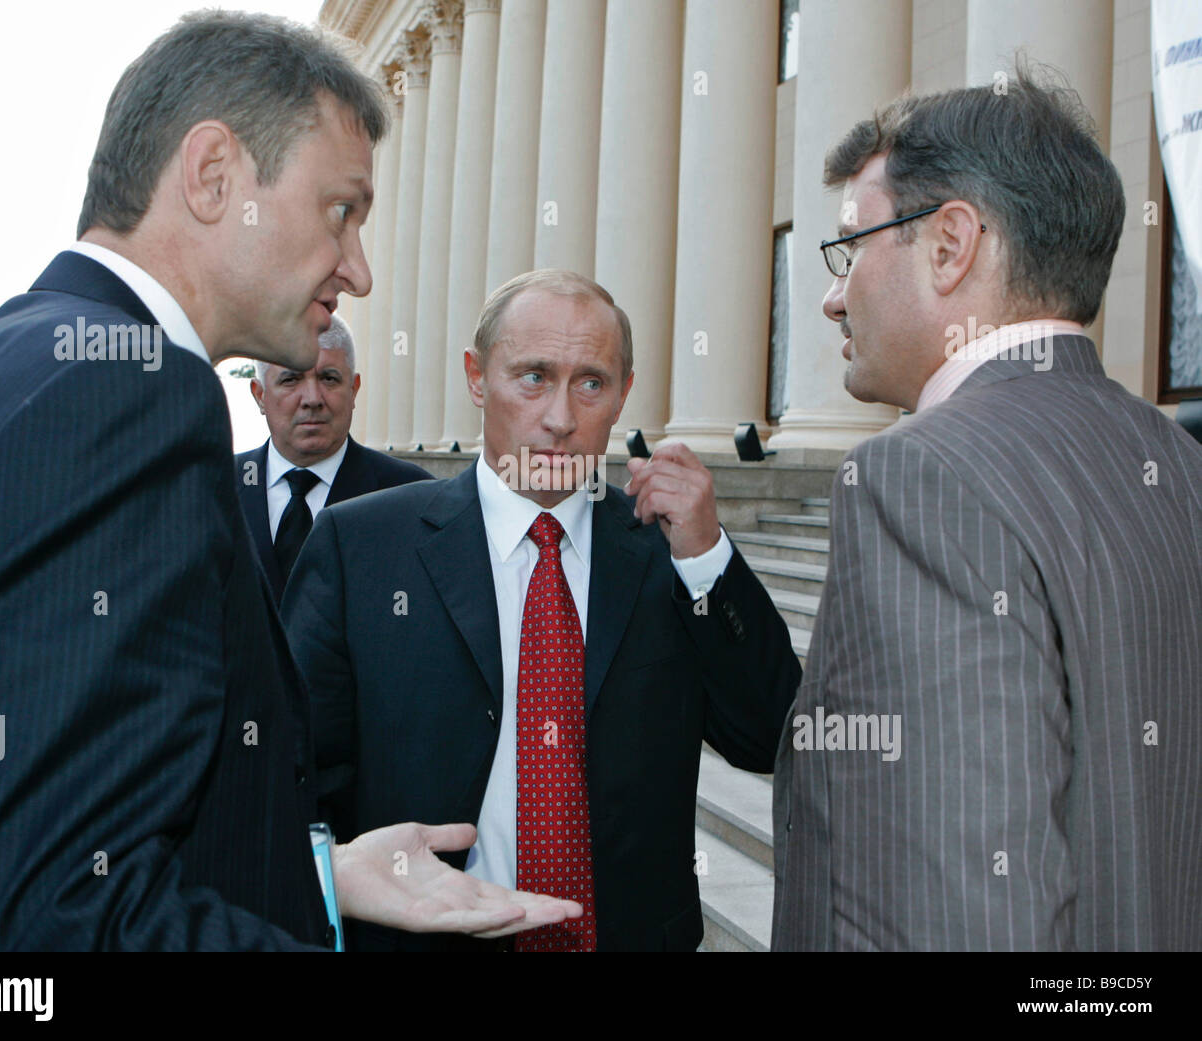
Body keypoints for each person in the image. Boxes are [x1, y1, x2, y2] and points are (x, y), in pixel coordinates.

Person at [0, 11, 577, 951]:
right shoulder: (126, 389)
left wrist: (320, 876)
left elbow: (21, 827)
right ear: (215, 175)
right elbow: (56, 917)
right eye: (341, 210)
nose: (360, 269)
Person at [771, 64, 1202, 951]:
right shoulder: (1180, 461)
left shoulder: (922, 478)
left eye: (850, 249)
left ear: (949, 243)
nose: (831, 294)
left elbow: (962, 918)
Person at [283, 269, 802, 951]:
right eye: (533, 377)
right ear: (476, 376)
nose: (561, 418)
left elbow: (769, 733)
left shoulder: (665, 553)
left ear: (623, 395)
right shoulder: (361, 549)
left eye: (591, 382)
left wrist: (707, 556)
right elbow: (292, 783)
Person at [238, 314, 431, 602]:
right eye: (291, 379)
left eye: (329, 379)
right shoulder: (211, 488)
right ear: (259, 395)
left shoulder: (412, 495)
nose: (313, 398)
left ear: (354, 389)